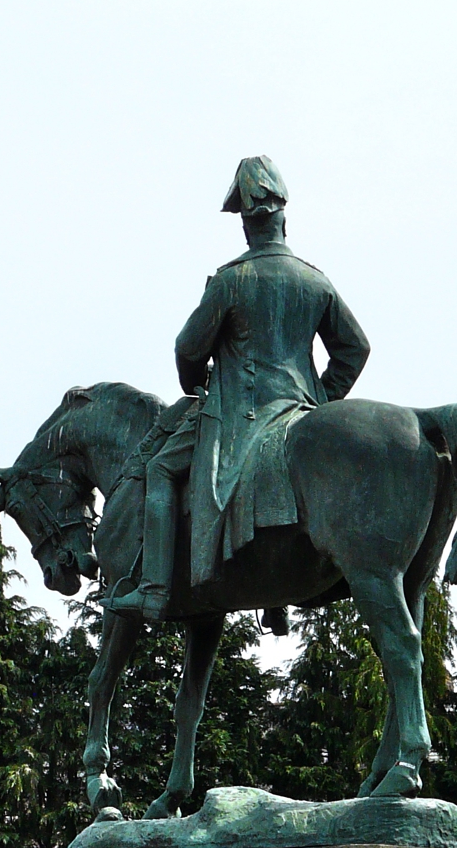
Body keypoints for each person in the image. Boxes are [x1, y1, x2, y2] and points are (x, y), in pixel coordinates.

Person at [105, 156, 370, 620]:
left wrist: (195, 386)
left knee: (162, 470)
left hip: (238, 417)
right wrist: (323, 399)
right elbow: (355, 349)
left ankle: (153, 590)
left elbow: (188, 349)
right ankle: (277, 597)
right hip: (301, 411)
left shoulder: (232, 279)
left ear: (247, 225)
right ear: (284, 219)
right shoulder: (314, 280)